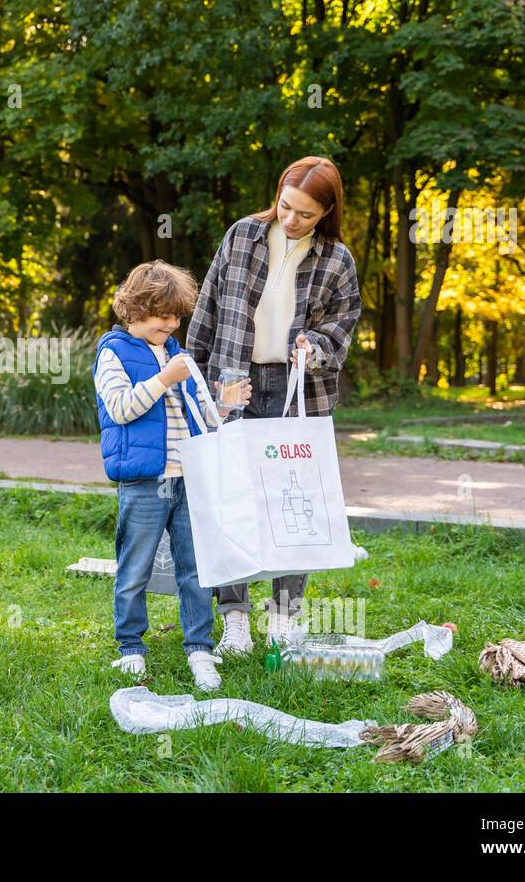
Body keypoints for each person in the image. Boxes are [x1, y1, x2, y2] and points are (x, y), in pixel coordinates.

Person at [187, 156, 362, 655]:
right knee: (232, 499)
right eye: (286, 207)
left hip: (298, 392)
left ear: (326, 211)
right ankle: (236, 620)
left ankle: (283, 620)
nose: (291, 220)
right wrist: (198, 379)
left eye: (305, 214)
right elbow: (208, 311)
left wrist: (316, 347)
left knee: (294, 504)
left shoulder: (337, 260)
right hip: (232, 384)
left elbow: (340, 332)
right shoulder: (242, 235)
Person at [94, 260, 251, 691]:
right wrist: (164, 378)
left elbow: (203, 417)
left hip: (190, 478)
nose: (172, 322)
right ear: (136, 308)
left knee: (195, 568)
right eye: (164, 314)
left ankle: (199, 648)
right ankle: (130, 647)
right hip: (145, 480)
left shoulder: (178, 354)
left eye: (177, 315)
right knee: (135, 568)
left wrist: (224, 406)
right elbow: (121, 408)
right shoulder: (113, 351)